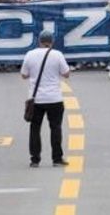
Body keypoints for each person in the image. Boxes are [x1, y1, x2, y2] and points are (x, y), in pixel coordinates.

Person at [20, 31, 71, 168]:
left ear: (39, 41)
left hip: (36, 99)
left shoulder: (30, 55)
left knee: (35, 129)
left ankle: (35, 159)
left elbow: (24, 75)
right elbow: (66, 73)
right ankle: (57, 158)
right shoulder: (57, 55)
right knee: (55, 128)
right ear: (51, 42)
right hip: (54, 98)